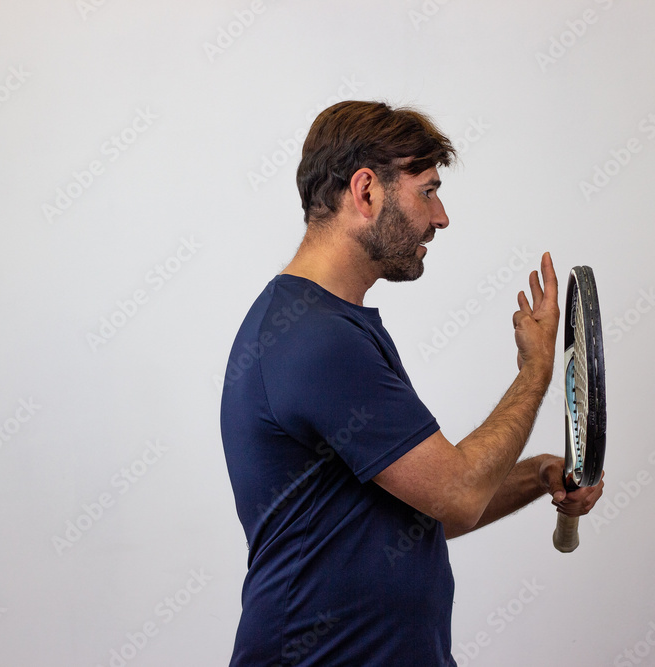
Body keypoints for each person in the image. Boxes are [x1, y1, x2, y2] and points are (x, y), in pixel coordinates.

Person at [220, 100, 604, 666]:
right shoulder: (316, 339)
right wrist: (536, 372)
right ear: (366, 191)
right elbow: (459, 494)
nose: (441, 216)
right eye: (427, 190)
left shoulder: (323, 324)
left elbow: (420, 511)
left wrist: (539, 474)